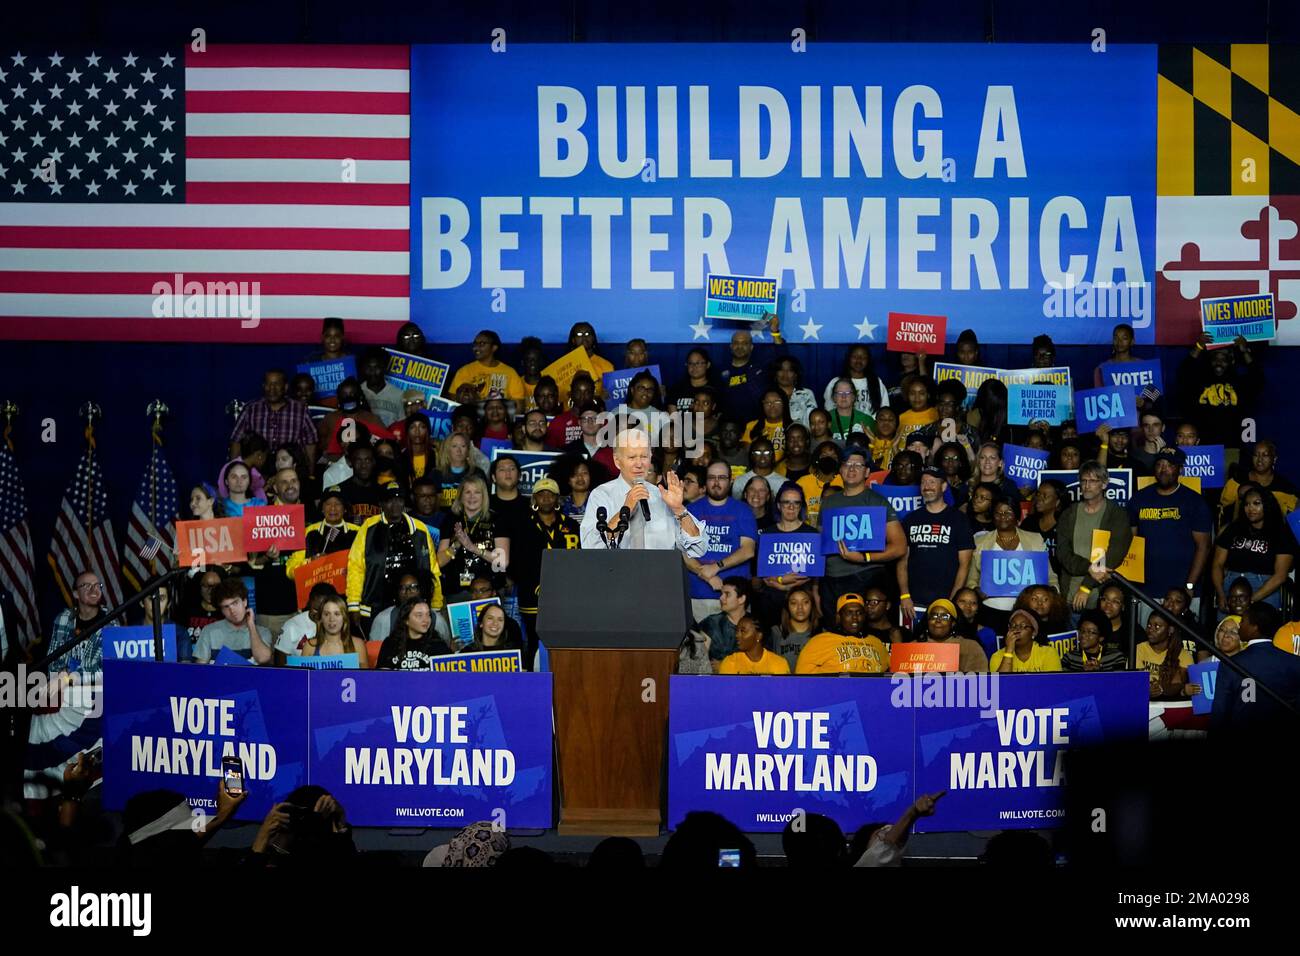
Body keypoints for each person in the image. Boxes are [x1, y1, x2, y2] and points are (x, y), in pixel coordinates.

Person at [579, 427, 706, 561]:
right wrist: (626, 509)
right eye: (632, 457)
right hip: (617, 577)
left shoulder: (662, 496)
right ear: (617, 461)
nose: (639, 464)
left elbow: (699, 548)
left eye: (644, 456)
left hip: (659, 578)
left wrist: (679, 509)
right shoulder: (602, 495)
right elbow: (590, 547)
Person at [818, 447, 907, 626]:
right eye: (847, 464)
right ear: (840, 470)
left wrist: (864, 557)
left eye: (858, 465)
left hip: (866, 576)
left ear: (867, 472)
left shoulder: (878, 502)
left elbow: (899, 547)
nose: (852, 469)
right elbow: (820, 545)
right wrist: (815, 586)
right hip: (831, 580)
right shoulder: (828, 503)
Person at [1128, 447, 1212, 621]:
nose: (1163, 469)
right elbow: (1132, 542)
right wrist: (1134, 584)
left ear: (1180, 469)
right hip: (1147, 589)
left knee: (1184, 641)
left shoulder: (1195, 501)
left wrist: (1190, 585)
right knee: (1149, 638)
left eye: (1169, 465)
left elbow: (1203, 546)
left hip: (1183, 590)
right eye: (1159, 464)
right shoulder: (1139, 499)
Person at [348, 485, 443, 637]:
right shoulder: (368, 528)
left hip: (412, 604)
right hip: (375, 604)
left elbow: (431, 569)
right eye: (390, 501)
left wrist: (437, 604)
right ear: (382, 504)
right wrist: (353, 605)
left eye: (399, 500)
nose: (395, 505)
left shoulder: (420, 529)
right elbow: (356, 567)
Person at [510, 477, 579, 667]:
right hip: (532, 594)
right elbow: (515, 562)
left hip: (566, 595)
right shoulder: (522, 526)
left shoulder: (573, 526)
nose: (546, 498)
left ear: (558, 499)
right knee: (534, 639)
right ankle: (535, 683)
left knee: (565, 639)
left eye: (551, 495)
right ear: (534, 499)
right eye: (541, 494)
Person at [897, 466, 975, 624]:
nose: (927, 486)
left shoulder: (959, 519)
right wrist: (905, 595)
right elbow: (902, 560)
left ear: (944, 486)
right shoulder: (910, 519)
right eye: (923, 482)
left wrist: (951, 602)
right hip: (913, 603)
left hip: (946, 599)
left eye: (932, 482)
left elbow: (964, 565)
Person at [678, 461, 755, 622]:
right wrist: (706, 575)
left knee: (737, 646)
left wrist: (716, 567)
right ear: (705, 482)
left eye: (722, 478)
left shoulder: (743, 510)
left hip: (736, 598)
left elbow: (748, 550)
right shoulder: (691, 511)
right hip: (698, 595)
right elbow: (684, 552)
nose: (716, 482)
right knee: (699, 646)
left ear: (731, 480)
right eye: (712, 477)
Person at [966, 499, 1056, 633]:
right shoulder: (980, 542)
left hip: (1028, 613)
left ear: (1017, 516)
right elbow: (971, 580)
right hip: (990, 612)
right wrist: (977, 591)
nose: (1003, 516)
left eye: (1008, 512)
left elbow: (1050, 577)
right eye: (998, 513)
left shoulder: (1035, 539)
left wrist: (1052, 593)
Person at [1055, 461, 1133, 612]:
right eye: (1083, 481)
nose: (1086, 485)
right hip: (1070, 595)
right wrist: (1088, 567)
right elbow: (1063, 553)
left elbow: (1113, 556)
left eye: (1092, 481)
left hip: (1102, 599)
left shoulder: (1116, 514)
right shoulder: (1069, 514)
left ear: (1104, 484)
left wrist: (1086, 587)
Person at [1213, 602, 1300, 732]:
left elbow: (1220, 712)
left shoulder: (1231, 663)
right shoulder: (1294, 662)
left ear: (1254, 627)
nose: (1240, 625)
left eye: (1243, 621)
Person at [1212, 484, 1295, 611]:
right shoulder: (1233, 529)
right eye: (1246, 504)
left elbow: (1280, 575)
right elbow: (1217, 564)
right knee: (1227, 629)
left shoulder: (1281, 533)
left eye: (1256, 503)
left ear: (1267, 505)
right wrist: (1221, 594)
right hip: (1231, 587)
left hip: (1264, 589)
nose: (1251, 508)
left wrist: (1251, 600)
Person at [1177, 332, 1261, 449]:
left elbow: (1258, 378)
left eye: (1224, 359)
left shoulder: (1238, 383)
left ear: (1231, 362)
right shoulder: (1199, 381)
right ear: (1209, 361)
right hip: (1202, 449)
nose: (1218, 362)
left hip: (1231, 447)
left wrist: (1244, 351)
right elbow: (1183, 374)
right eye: (1215, 358)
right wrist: (1199, 346)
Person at [436, 474, 509, 605]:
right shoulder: (450, 520)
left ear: (484, 496)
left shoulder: (497, 520)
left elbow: (502, 562)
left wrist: (473, 548)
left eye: (477, 492)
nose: (472, 497)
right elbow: (439, 562)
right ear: (460, 496)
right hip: (456, 591)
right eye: (467, 492)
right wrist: (457, 544)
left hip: (488, 590)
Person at [229, 369, 318, 474]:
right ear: (263, 386)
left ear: (285, 387)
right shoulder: (251, 409)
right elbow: (236, 440)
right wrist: (234, 471)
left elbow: (310, 444)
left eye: (276, 384)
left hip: (290, 473)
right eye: (268, 384)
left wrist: (311, 475)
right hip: (258, 473)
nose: (272, 388)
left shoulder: (300, 410)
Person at [795, 594, 890, 674]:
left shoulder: (876, 642)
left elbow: (890, 676)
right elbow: (801, 680)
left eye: (859, 613)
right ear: (838, 617)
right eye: (849, 613)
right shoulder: (819, 642)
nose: (855, 618)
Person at [194, 578, 274, 664]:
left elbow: (263, 659)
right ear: (221, 610)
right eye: (226, 607)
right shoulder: (209, 631)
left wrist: (251, 625)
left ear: (245, 602)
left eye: (235, 603)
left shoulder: (263, 632)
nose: (232, 611)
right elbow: (200, 669)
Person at [1220, 440, 1298, 524]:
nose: (1260, 459)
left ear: (1274, 459)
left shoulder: (1285, 489)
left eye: (1265, 455)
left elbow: (1293, 521)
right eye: (1256, 455)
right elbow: (1224, 512)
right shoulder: (1237, 481)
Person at [48, 571, 107, 674]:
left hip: (96, 688)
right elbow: (53, 664)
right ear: (76, 594)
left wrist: (70, 677)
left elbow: (105, 670)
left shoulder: (110, 622)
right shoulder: (64, 619)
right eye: (87, 586)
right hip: (64, 687)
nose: (94, 590)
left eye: (98, 585)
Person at [914, 597, 988, 672]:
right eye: (933, 616)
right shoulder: (913, 647)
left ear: (953, 623)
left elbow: (982, 680)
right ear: (927, 621)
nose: (938, 620)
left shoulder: (970, 647)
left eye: (945, 617)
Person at [377, 598, 454, 670]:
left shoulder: (438, 645)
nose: (426, 620)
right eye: (419, 615)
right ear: (406, 620)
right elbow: (381, 677)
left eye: (428, 615)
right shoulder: (390, 644)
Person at [449, 330, 526, 402]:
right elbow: (452, 399)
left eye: (482, 344)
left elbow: (518, 404)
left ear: (494, 347)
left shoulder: (510, 373)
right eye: (475, 344)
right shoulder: (464, 371)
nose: (475, 348)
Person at [294, 595, 370, 667]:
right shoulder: (310, 646)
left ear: (344, 618)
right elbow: (303, 679)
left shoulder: (358, 645)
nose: (331, 619)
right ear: (321, 619)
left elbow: (364, 679)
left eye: (337, 614)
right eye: (327, 614)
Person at [1136, 609, 1193, 700]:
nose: (1151, 629)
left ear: (1170, 629)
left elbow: (1179, 685)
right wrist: (1146, 690)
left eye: (1157, 626)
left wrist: (1161, 688)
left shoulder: (1183, 655)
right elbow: (1135, 681)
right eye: (1149, 625)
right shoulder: (1139, 649)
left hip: (1171, 703)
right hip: (1143, 701)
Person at [821, 344, 889, 419]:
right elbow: (829, 410)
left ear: (868, 360)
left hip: (871, 427)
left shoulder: (876, 381)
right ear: (848, 358)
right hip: (843, 428)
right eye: (855, 357)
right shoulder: (836, 382)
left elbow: (884, 409)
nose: (859, 360)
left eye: (863, 357)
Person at [991, 607, 1062, 673]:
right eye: (1013, 626)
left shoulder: (1048, 653)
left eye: (1023, 626)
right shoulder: (997, 656)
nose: (1016, 630)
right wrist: (1009, 651)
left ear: (1033, 632)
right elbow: (1000, 684)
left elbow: (1053, 684)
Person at [719, 328, 767, 423]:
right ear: (731, 346)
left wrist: (775, 332)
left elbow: (783, 359)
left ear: (751, 347)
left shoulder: (760, 371)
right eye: (736, 343)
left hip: (756, 427)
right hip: (728, 429)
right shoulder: (720, 372)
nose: (739, 346)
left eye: (745, 343)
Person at [718, 613, 791, 675]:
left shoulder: (778, 663)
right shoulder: (730, 662)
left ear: (758, 636)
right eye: (737, 631)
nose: (737, 635)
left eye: (743, 631)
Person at [1060, 608, 1127, 671]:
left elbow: (1119, 682)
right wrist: (1083, 672)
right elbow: (1064, 682)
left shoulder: (1115, 657)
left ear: (1101, 638)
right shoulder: (1070, 658)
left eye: (1090, 632)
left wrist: (1100, 672)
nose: (1083, 635)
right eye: (1082, 631)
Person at [796, 441, 844, 527]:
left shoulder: (844, 481)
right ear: (817, 459)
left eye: (833, 456)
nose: (829, 459)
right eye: (824, 455)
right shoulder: (802, 482)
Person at [769, 586, 817, 670]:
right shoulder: (776, 632)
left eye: (805, 602)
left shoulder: (822, 634)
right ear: (787, 606)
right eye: (794, 603)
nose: (800, 607)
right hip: (783, 682)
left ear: (812, 605)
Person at [742, 389, 794, 462]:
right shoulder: (752, 426)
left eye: (777, 402)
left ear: (784, 404)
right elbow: (746, 454)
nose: (772, 406)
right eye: (767, 402)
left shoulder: (793, 426)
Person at [358, 347, 405, 426]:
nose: (373, 372)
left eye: (377, 367)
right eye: (369, 367)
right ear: (363, 369)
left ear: (384, 369)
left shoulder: (398, 394)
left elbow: (402, 424)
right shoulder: (357, 392)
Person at [567, 322, 615, 397]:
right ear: (573, 340)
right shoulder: (565, 365)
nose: (584, 337)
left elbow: (612, 394)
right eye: (579, 334)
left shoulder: (607, 365)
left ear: (593, 338)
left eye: (587, 334)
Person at [770, 355, 818, 426]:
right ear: (775, 373)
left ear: (796, 374)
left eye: (790, 370)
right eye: (781, 370)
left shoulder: (806, 394)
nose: (785, 374)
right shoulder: (769, 395)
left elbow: (814, 421)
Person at [825, 377, 874, 445]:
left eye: (847, 393)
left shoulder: (867, 420)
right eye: (839, 393)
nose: (843, 396)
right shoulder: (825, 419)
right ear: (834, 397)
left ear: (854, 397)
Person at [666, 349, 715, 415]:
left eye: (698, 363)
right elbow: (673, 418)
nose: (694, 367)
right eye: (690, 363)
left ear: (708, 364)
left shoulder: (715, 388)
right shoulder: (676, 388)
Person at [953, 586, 998, 657]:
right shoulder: (946, 631)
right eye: (962, 601)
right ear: (954, 604)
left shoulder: (987, 634)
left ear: (977, 608)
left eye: (973, 603)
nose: (968, 606)